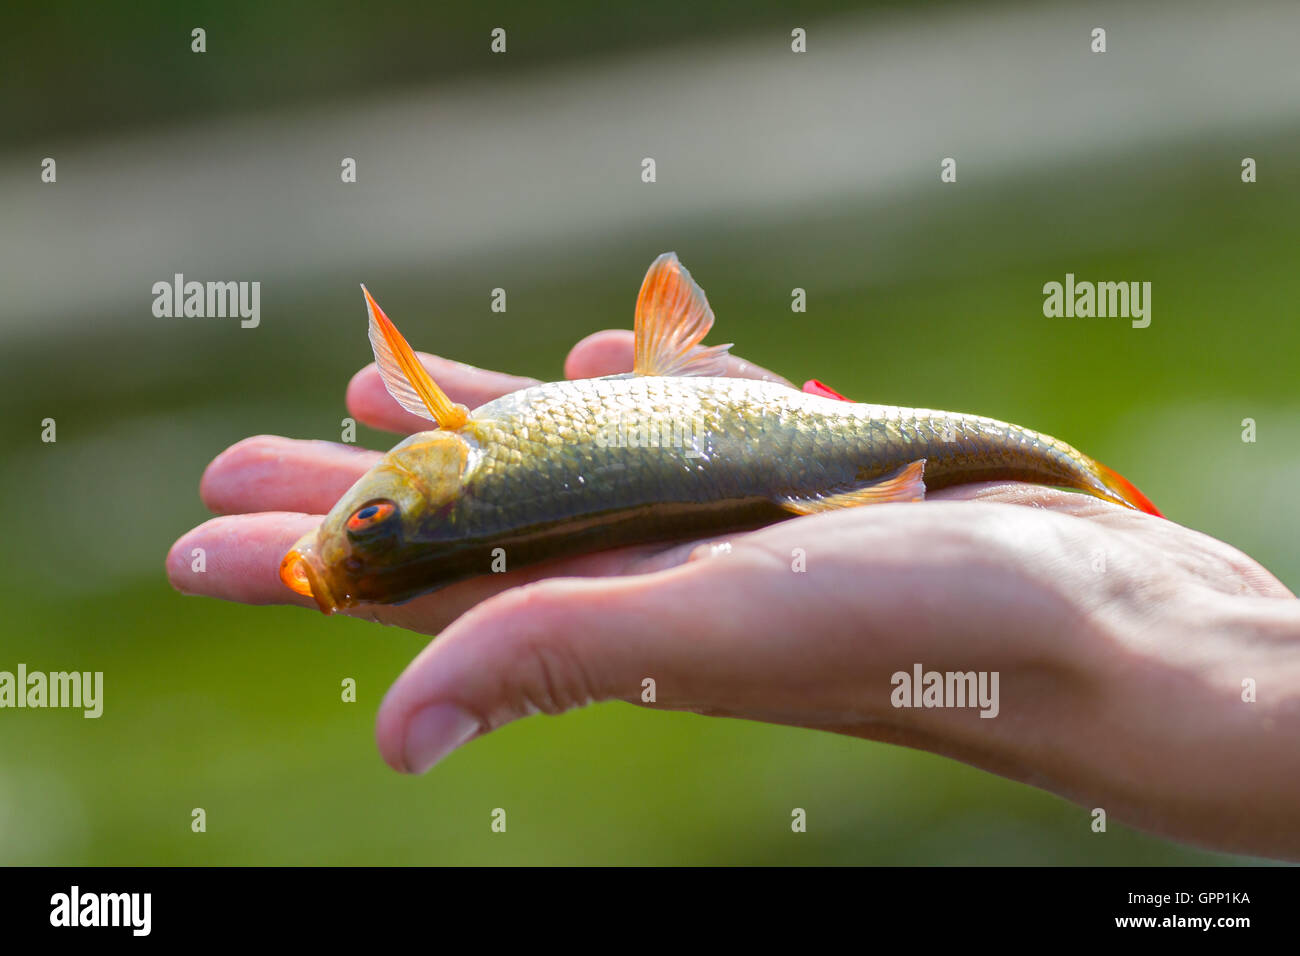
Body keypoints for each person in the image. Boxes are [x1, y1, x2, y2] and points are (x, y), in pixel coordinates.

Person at [167, 329, 1300, 861]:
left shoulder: (445, 455)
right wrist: (1182, 612)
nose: (355, 521)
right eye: (370, 530)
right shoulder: (449, 455)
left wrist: (1168, 610)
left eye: (372, 527)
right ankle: (1080, 480)